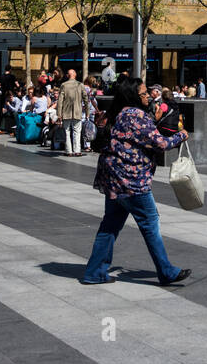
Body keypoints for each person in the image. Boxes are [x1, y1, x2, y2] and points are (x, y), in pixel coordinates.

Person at [81, 76, 191, 286]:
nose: (148, 96)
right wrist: (181, 136)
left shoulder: (117, 113)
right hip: (131, 180)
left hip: (112, 178)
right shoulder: (135, 115)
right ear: (133, 96)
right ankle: (166, 271)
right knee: (150, 223)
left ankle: (95, 272)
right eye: (143, 93)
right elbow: (160, 143)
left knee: (110, 226)